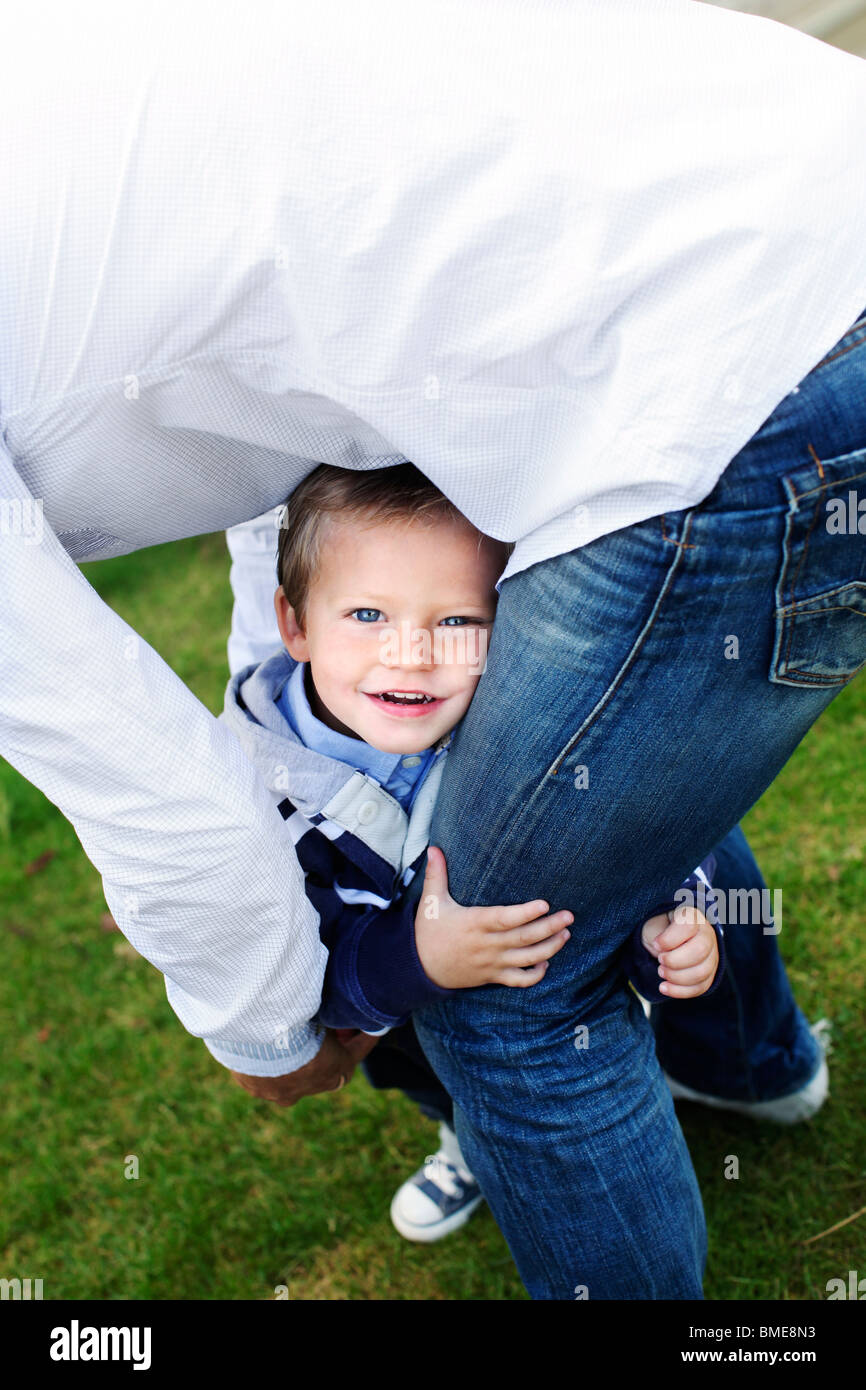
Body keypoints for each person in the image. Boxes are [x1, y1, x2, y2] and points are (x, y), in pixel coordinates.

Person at [2, 0, 864, 1298]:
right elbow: (268, 451)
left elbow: (162, 798)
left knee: (505, 980)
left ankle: (731, 1065)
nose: (409, 651)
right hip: (783, 176)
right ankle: (722, 1072)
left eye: (453, 620)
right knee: (585, 785)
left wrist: (266, 1027)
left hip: (740, 356)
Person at [222, 461, 722, 1241]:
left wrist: (669, 910)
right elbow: (304, 978)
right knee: (418, 1068)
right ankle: (462, 1140)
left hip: (533, 971)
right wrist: (418, 959)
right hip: (387, 1015)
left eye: (457, 621)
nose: (412, 654)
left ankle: (665, 1076)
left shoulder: (516, 715)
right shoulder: (257, 796)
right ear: (295, 626)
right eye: (366, 614)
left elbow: (630, 816)